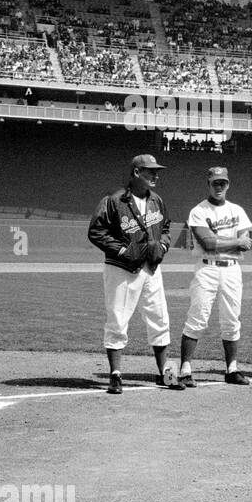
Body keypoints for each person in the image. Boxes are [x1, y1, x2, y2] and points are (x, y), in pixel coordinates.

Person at [88, 154, 176, 395]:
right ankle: (115, 375)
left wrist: (164, 246)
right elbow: (96, 231)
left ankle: (164, 373)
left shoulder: (157, 200)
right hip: (122, 269)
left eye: (156, 171)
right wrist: (122, 250)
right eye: (150, 171)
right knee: (117, 320)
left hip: (151, 268)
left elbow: (166, 228)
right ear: (136, 172)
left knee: (160, 319)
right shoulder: (114, 201)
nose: (156, 175)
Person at [173, 166, 252, 388]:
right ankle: (185, 369)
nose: (219, 187)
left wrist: (225, 242)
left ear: (228, 185)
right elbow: (207, 244)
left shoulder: (237, 210)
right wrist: (234, 242)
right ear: (208, 184)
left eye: (223, 183)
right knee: (197, 317)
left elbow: (246, 244)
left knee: (232, 319)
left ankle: (232, 369)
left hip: (232, 270)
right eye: (215, 183)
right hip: (207, 269)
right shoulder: (199, 211)